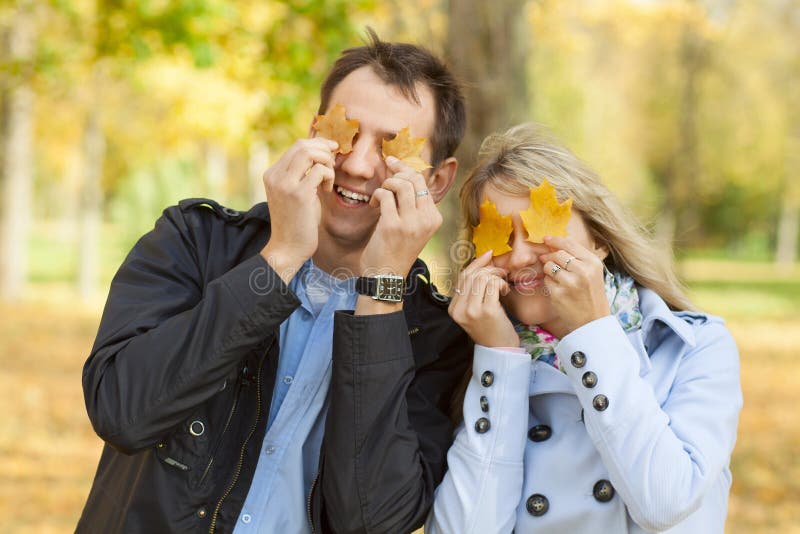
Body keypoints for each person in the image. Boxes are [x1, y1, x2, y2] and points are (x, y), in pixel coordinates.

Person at [77, 29, 470, 533]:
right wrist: (279, 258)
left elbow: (372, 522)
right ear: (313, 131)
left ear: (437, 181)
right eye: (345, 133)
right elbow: (121, 411)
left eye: (394, 146)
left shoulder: (439, 337)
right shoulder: (196, 242)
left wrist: (382, 293)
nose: (356, 164)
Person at [426, 124, 742, 533]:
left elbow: (666, 503)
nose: (520, 255)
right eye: (499, 235)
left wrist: (592, 331)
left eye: (542, 226)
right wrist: (500, 359)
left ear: (599, 239)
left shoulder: (694, 347)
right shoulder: (471, 358)